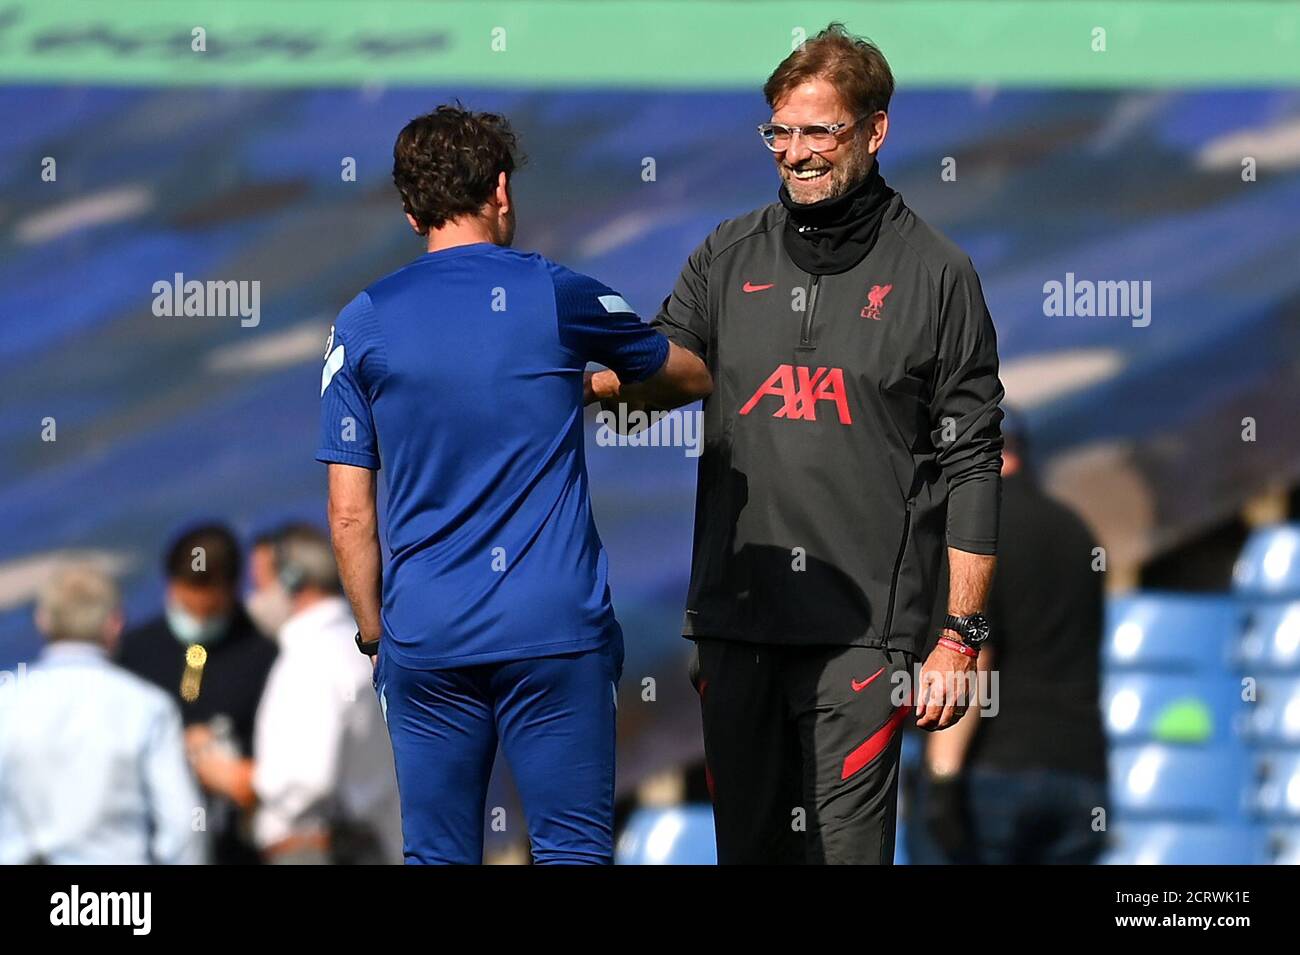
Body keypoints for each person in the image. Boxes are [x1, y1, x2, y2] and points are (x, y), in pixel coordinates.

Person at [592, 23, 1004, 864]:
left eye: (819, 130)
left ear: (875, 130)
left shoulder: (937, 274)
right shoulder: (725, 253)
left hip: (864, 639)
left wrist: (960, 634)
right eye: (779, 131)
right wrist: (579, 374)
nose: (795, 152)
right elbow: (653, 390)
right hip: (736, 627)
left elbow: (972, 461)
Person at [318, 105, 711, 864]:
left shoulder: (360, 323)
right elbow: (688, 375)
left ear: (409, 212)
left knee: (437, 854)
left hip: (426, 631)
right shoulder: (557, 294)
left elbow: (347, 516)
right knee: (572, 850)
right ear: (501, 189)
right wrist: (597, 387)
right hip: (551, 624)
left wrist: (375, 636)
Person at [911, 410, 1108, 864]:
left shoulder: (976, 535)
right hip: (1080, 775)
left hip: (991, 777)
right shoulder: (1077, 531)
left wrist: (942, 779)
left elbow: (972, 656)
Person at [0, 563, 202, 864]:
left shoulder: (7, 701)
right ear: (115, 622)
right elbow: (185, 824)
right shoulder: (147, 706)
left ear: (42, 621)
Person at [118, 523, 277, 864]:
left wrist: (223, 760)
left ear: (232, 590)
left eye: (207, 610)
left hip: (241, 843)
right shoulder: (136, 653)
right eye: (186, 604)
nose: (195, 618)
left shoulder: (262, 655)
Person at [243, 523, 403, 864]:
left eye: (260, 583)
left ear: (291, 580)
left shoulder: (310, 659)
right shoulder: (352, 646)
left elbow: (307, 781)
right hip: (369, 839)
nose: (254, 598)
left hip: (316, 848)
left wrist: (240, 779)